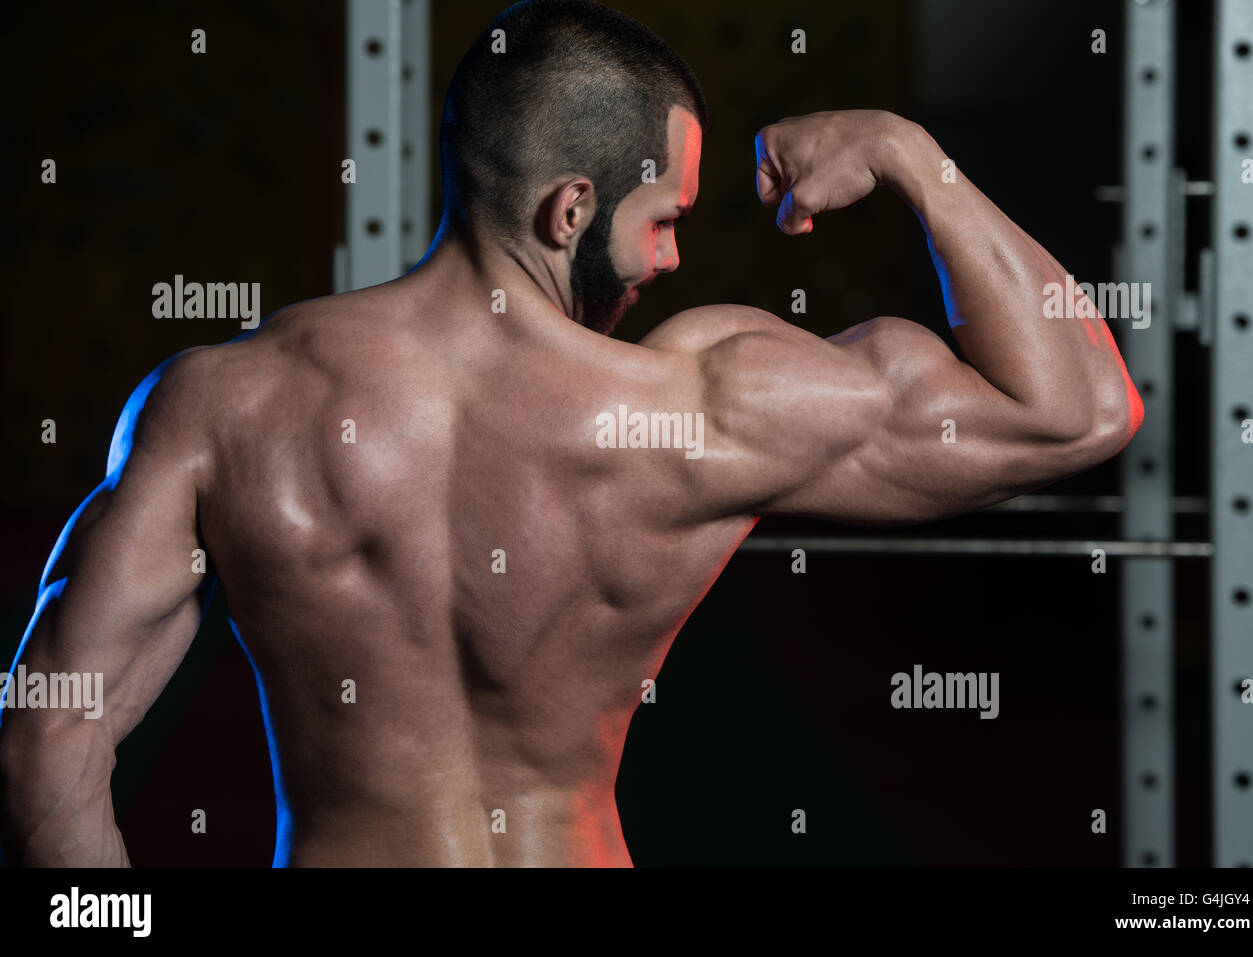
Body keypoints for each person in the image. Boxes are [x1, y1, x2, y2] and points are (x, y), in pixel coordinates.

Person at [0, 0, 1142, 866]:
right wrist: (905, 152)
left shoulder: (222, 402)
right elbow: (1083, 409)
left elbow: (48, 734)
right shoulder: (700, 408)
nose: (671, 262)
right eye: (665, 222)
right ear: (572, 210)